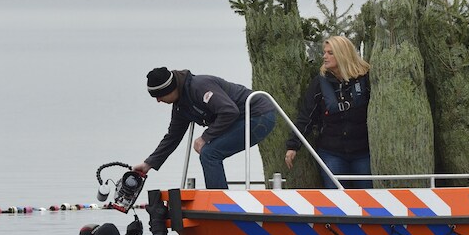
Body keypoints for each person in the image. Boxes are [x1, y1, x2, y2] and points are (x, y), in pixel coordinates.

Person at [134, 67, 277, 189]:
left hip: (259, 115)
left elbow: (229, 111)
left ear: (170, 88)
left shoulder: (199, 86)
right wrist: (148, 164)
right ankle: (219, 200)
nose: (158, 100)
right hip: (240, 119)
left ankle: (221, 204)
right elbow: (172, 137)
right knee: (209, 152)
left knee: (210, 153)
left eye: (159, 95)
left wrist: (205, 137)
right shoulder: (180, 106)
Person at [284, 36, 373, 189]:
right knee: (336, 196)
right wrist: (293, 145)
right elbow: (307, 116)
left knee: (366, 196)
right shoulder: (320, 82)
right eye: (324, 52)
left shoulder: (365, 79)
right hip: (332, 152)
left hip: (363, 152)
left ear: (343, 54)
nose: (325, 56)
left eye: (330, 53)